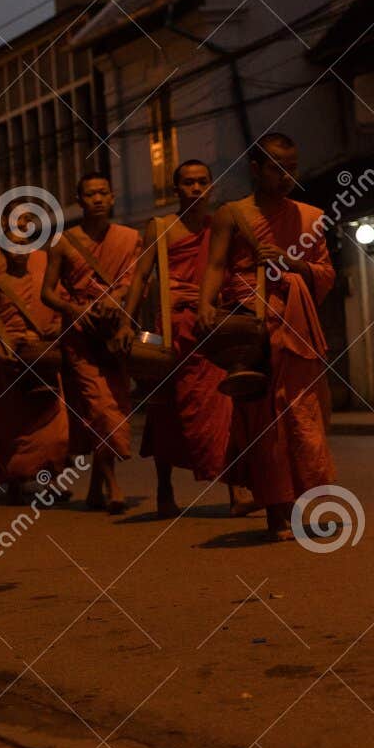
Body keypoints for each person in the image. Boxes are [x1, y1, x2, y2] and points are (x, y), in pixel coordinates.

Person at [198, 132, 336, 541]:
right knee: (262, 422)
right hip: (250, 327)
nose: (286, 176)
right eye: (277, 168)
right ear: (256, 169)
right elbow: (217, 264)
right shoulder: (231, 214)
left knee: (300, 416)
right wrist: (206, 305)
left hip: (295, 325)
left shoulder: (311, 216)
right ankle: (276, 512)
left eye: (291, 168)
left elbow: (325, 273)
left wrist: (292, 260)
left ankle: (296, 504)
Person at [139, 160, 256, 518]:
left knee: (224, 406)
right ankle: (164, 489)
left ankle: (237, 490)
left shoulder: (221, 225)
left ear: (211, 186)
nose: (195, 188)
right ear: (176, 189)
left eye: (202, 182)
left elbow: (229, 270)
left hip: (210, 325)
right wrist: (132, 326)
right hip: (171, 326)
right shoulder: (160, 228)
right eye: (187, 183)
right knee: (164, 411)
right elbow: (139, 278)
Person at [41, 171, 145, 512]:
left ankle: (96, 486)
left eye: (103, 193)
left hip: (116, 335)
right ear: (80, 200)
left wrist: (122, 310)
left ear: (112, 197)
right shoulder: (64, 242)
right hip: (80, 338)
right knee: (99, 407)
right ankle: (113, 485)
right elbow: (46, 293)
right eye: (90, 194)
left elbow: (137, 282)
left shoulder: (130, 238)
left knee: (113, 403)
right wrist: (74, 308)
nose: (97, 199)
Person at [0, 228, 68, 504]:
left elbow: (62, 313)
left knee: (55, 429)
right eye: (11, 245)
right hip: (12, 360)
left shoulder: (46, 282)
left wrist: (56, 338)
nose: (18, 250)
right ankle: (13, 481)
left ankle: (50, 482)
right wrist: (0, 353)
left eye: (23, 244)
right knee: (13, 428)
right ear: (3, 251)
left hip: (44, 357)